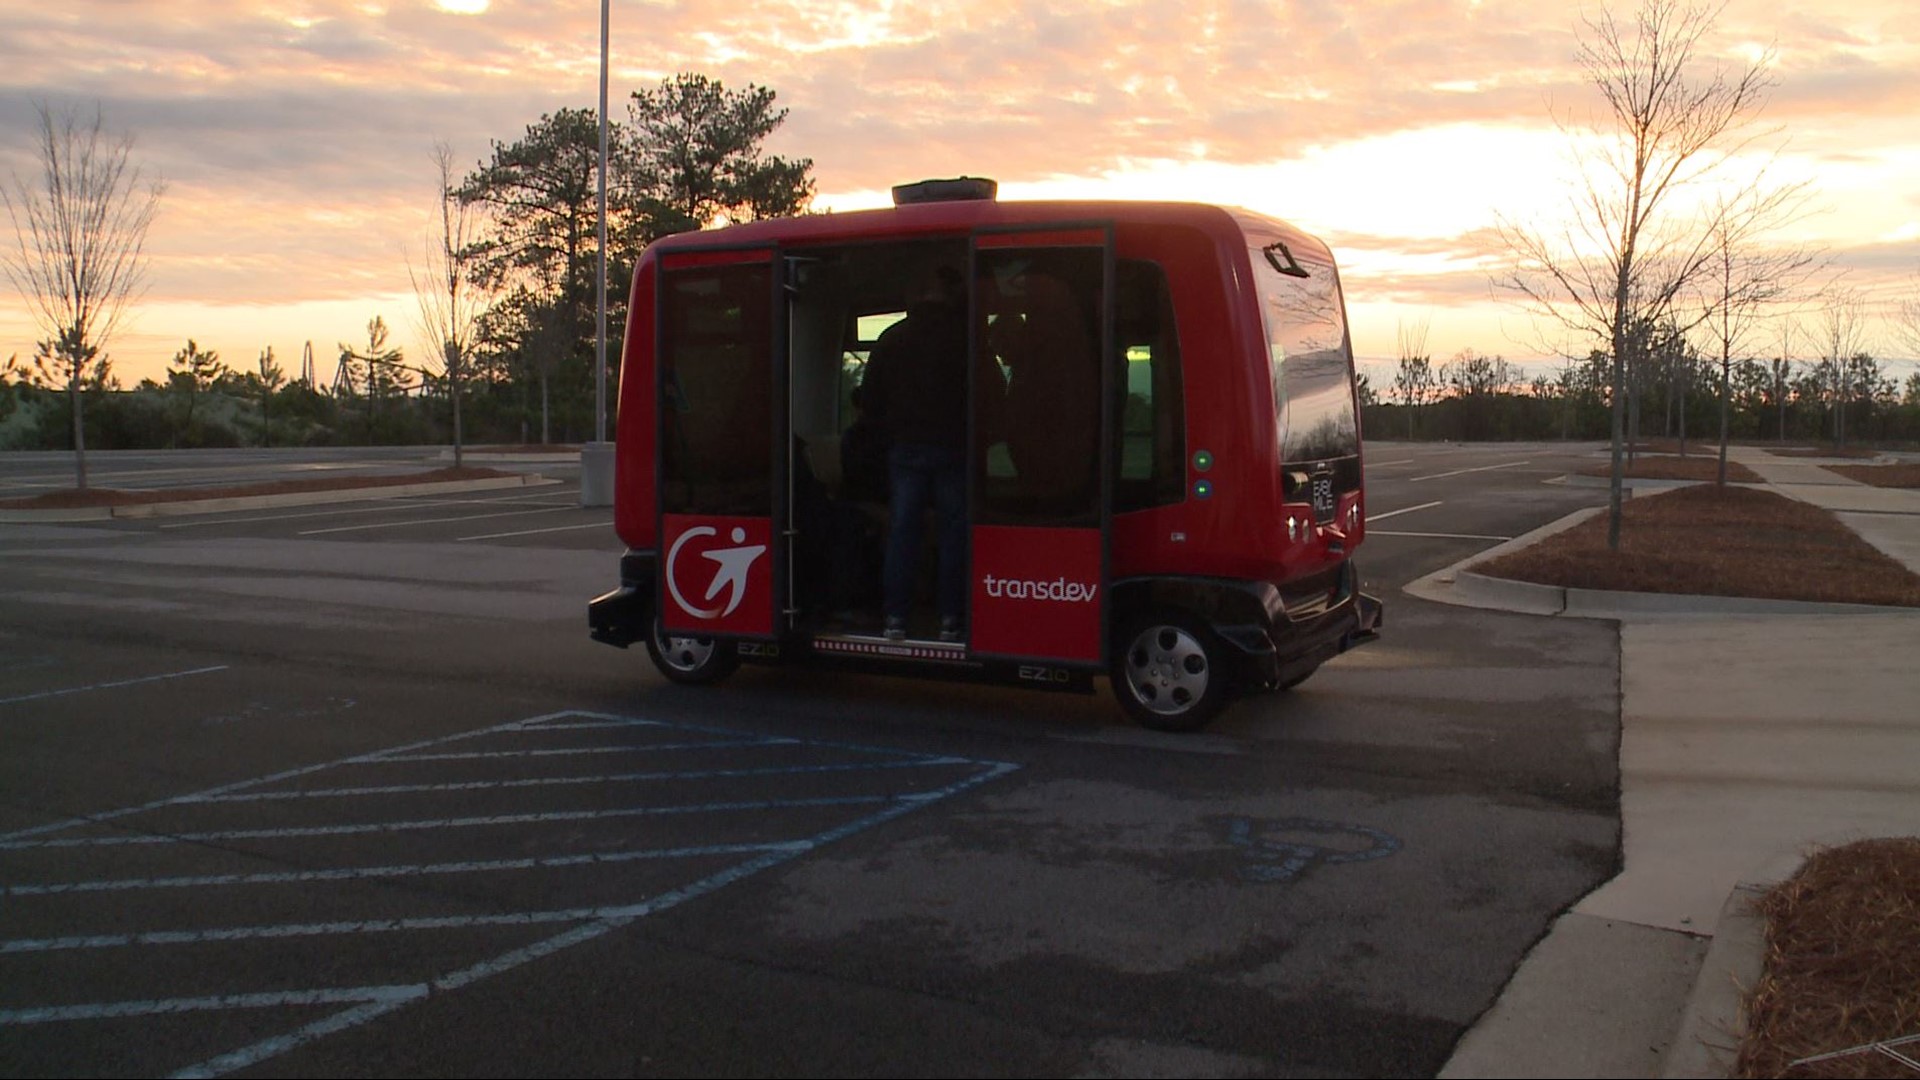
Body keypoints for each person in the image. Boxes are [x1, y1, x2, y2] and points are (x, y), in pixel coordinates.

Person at [859, 265, 969, 642]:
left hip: (905, 450)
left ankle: (896, 618)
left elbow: (870, 401)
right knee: (953, 534)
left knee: (903, 533)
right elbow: (986, 390)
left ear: (914, 296)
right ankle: (951, 618)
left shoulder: (892, 339)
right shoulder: (964, 338)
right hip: (953, 448)